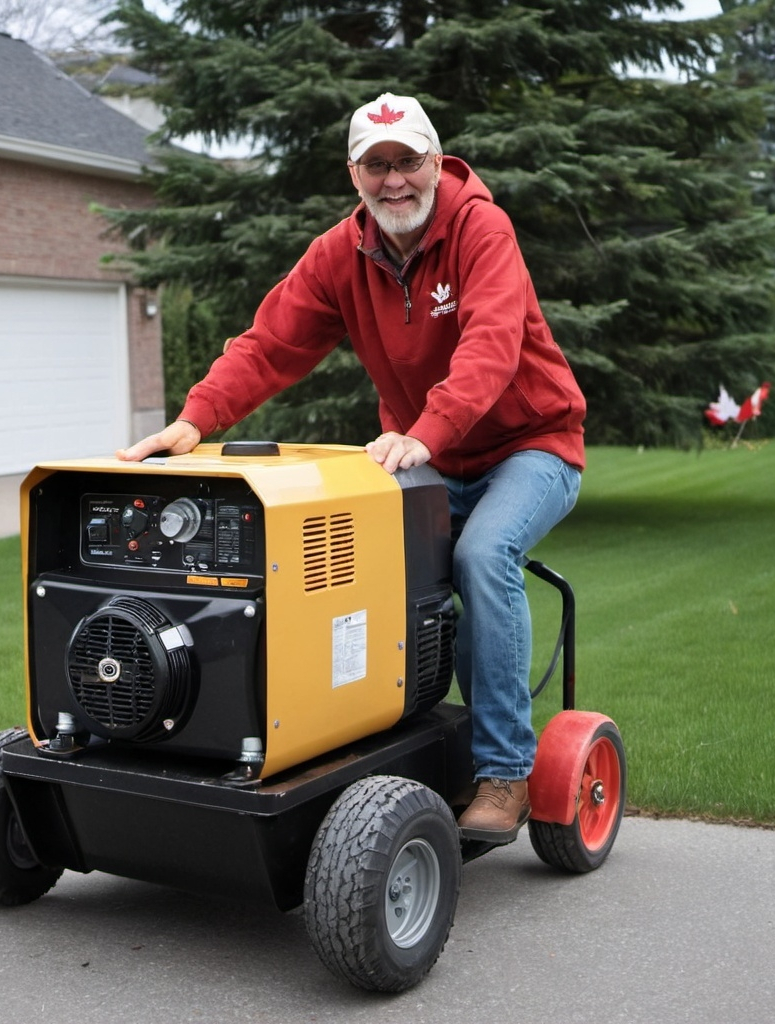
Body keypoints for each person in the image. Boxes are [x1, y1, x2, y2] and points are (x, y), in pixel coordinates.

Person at [117, 92, 586, 842]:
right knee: (358, 570)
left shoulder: (480, 229)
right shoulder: (342, 252)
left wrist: (428, 431)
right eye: (377, 166)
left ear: (436, 163)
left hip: (531, 445)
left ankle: (504, 773)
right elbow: (268, 346)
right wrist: (192, 420)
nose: (394, 180)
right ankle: (385, 734)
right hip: (427, 450)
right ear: (354, 174)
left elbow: (491, 347)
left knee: (483, 554)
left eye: (407, 162)